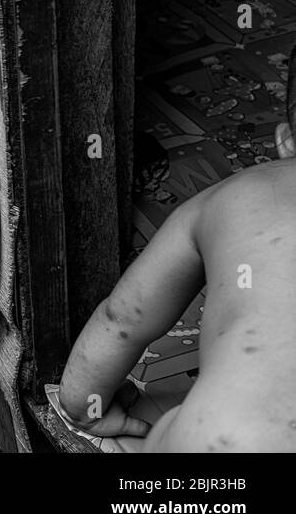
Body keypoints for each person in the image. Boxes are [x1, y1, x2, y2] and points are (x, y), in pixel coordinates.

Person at [57, 52, 296, 451]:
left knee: (175, 427)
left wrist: (85, 406)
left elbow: (123, 318)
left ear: (285, 141)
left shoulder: (232, 197)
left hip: (226, 439)